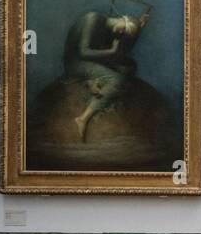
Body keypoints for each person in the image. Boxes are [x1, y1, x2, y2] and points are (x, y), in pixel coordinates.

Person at [63, 10, 148, 140]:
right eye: (124, 30)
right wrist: (112, 51)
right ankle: (82, 118)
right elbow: (83, 52)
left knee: (129, 67)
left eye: (124, 34)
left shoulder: (109, 28)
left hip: (91, 61)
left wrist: (138, 27)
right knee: (116, 80)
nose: (121, 33)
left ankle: (94, 82)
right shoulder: (93, 19)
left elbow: (115, 50)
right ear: (123, 19)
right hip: (76, 62)